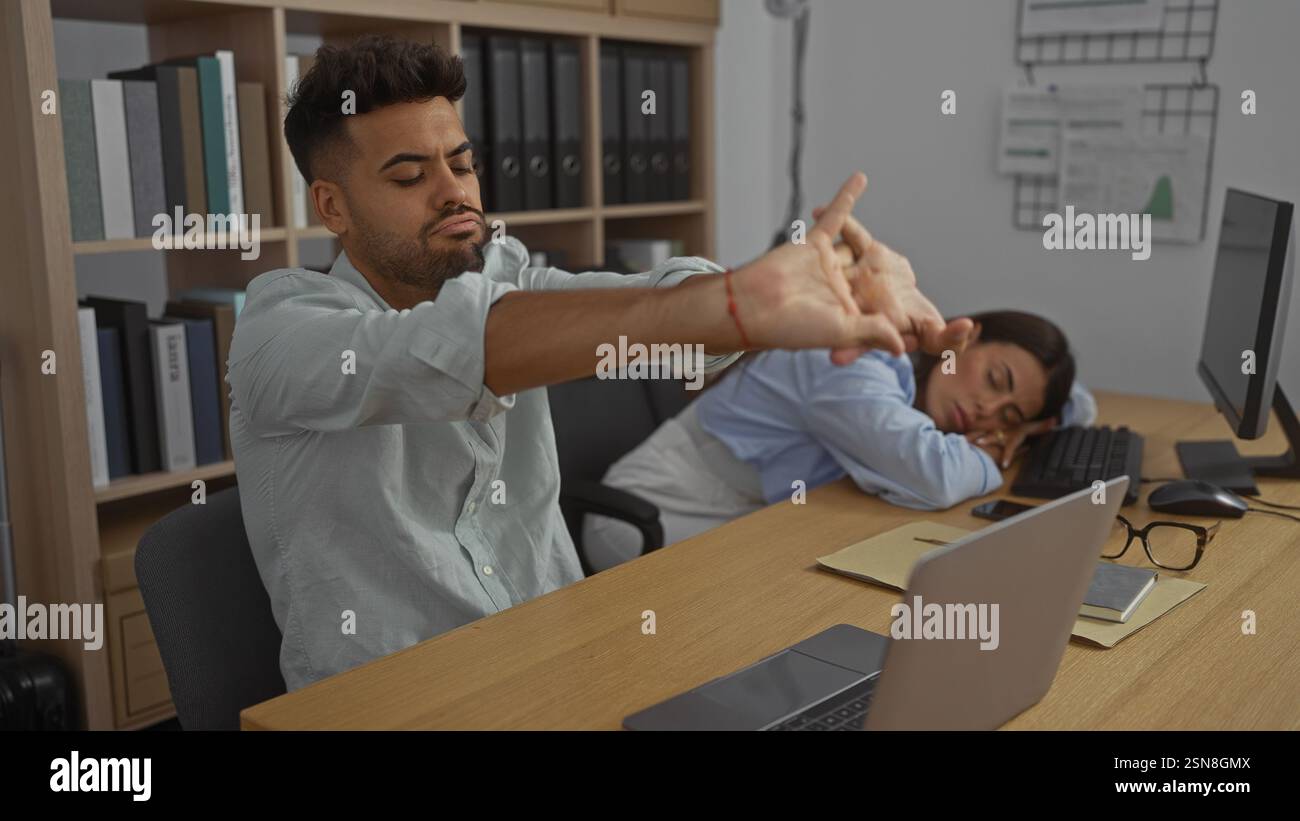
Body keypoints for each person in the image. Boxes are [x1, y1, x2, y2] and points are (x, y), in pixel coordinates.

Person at [226, 35, 971, 689]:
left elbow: (655, 305)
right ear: (332, 206)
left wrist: (752, 304)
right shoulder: (281, 331)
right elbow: (440, 354)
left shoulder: (509, 284)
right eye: (408, 176)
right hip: (394, 703)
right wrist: (741, 303)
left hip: (558, 661)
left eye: (462, 162)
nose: (455, 192)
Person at [581, 310, 1097, 571]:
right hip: (650, 517)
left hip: (746, 518)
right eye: (996, 380)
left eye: (1008, 415)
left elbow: (1079, 401)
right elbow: (935, 476)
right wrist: (987, 452)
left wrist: (1027, 427)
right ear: (966, 335)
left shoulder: (914, 373)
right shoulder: (856, 360)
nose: (988, 411)